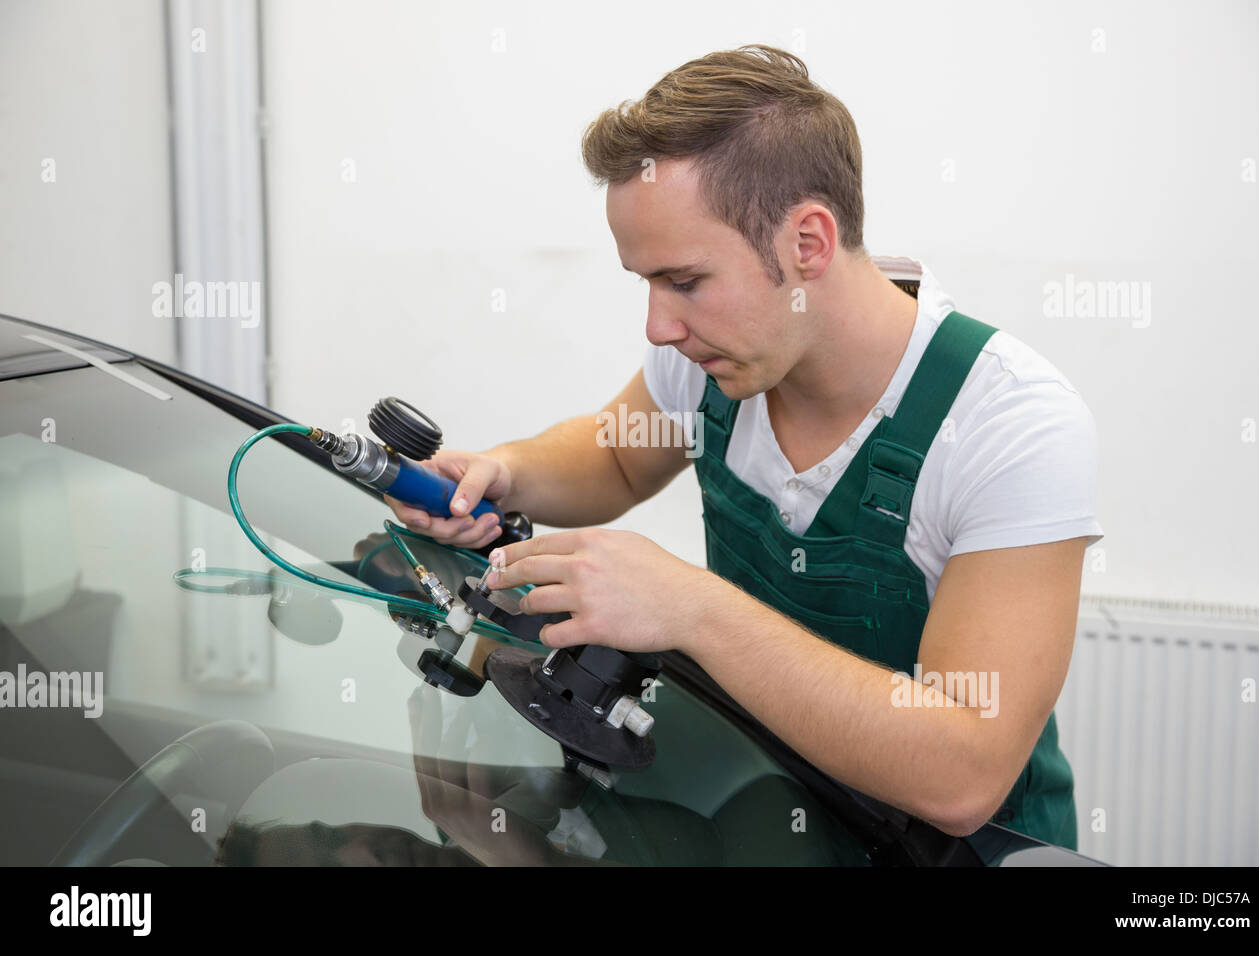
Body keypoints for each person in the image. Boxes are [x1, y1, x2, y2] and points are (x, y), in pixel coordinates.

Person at [387, 45, 1102, 849]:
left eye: (685, 281)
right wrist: (506, 471)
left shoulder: (1013, 425)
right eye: (647, 284)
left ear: (808, 243)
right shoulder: (715, 351)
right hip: (770, 821)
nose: (659, 326)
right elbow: (618, 456)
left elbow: (961, 774)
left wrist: (689, 607)